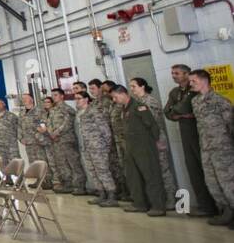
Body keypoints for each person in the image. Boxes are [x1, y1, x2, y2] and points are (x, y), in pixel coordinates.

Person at [165, 64, 217, 217]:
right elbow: (168, 112)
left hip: (199, 133)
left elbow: (181, 108)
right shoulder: (175, 92)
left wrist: (180, 112)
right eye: (172, 73)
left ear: (187, 74)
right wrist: (182, 114)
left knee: (209, 170)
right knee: (193, 170)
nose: (174, 76)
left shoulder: (194, 91)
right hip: (185, 134)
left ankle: (220, 206)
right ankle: (205, 206)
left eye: (177, 73)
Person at [112, 85, 166, 216]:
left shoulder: (138, 106)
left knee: (151, 175)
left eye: (115, 96)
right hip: (130, 146)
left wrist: (157, 141)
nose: (114, 100)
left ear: (123, 93)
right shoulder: (124, 109)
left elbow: (152, 125)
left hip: (144, 146)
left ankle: (158, 206)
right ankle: (140, 203)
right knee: (133, 176)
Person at [190, 69, 234, 227]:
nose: (190, 84)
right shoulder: (195, 102)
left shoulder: (220, 101)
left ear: (204, 81)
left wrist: (226, 144)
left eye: (193, 81)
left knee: (228, 181)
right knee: (212, 181)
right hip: (206, 147)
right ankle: (226, 211)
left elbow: (230, 125)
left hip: (222, 148)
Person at [128, 78, 178, 209]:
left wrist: (156, 140)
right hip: (146, 142)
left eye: (134, 86)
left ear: (142, 86)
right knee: (152, 171)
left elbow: (154, 123)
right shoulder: (137, 103)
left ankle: (171, 198)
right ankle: (158, 199)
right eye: (130, 87)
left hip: (156, 139)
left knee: (163, 170)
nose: (131, 89)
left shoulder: (150, 101)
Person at [74, 90, 117, 206]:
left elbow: (105, 130)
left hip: (98, 147)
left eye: (79, 98)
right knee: (93, 172)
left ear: (86, 99)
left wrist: (106, 146)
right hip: (86, 147)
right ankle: (102, 194)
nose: (76, 101)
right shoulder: (79, 113)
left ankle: (112, 196)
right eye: (75, 98)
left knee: (103, 171)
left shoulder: (94, 111)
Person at [43, 89, 88, 194]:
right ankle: (67, 184)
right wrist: (51, 133)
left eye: (56, 95)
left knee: (73, 163)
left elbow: (67, 123)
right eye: (52, 95)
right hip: (56, 141)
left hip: (67, 140)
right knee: (61, 164)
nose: (54, 97)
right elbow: (48, 123)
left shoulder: (67, 109)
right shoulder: (53, 110)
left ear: (62, 96)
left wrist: (56, 133)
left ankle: (79, 186)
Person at [19, 93, 53, 187]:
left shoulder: (39, 110)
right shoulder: (22, 112)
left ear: (32, 100)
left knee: (42, 161)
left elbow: (44, 123)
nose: (24, 100)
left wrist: (39, 134)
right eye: (23, 99)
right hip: (28, 142)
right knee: (33, 162)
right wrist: (21, 138)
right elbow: (19, 126)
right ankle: (38, 181)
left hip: (38, 141)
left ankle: (48, 181)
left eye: (26, 98)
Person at [0, 97, 20, 165]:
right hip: (0, 145)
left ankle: (21, 176)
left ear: (4, 104)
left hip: (11, 144)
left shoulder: (12, 116)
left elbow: (18, 129)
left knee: (17, 162)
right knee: (2, 163)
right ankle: (7, 176)